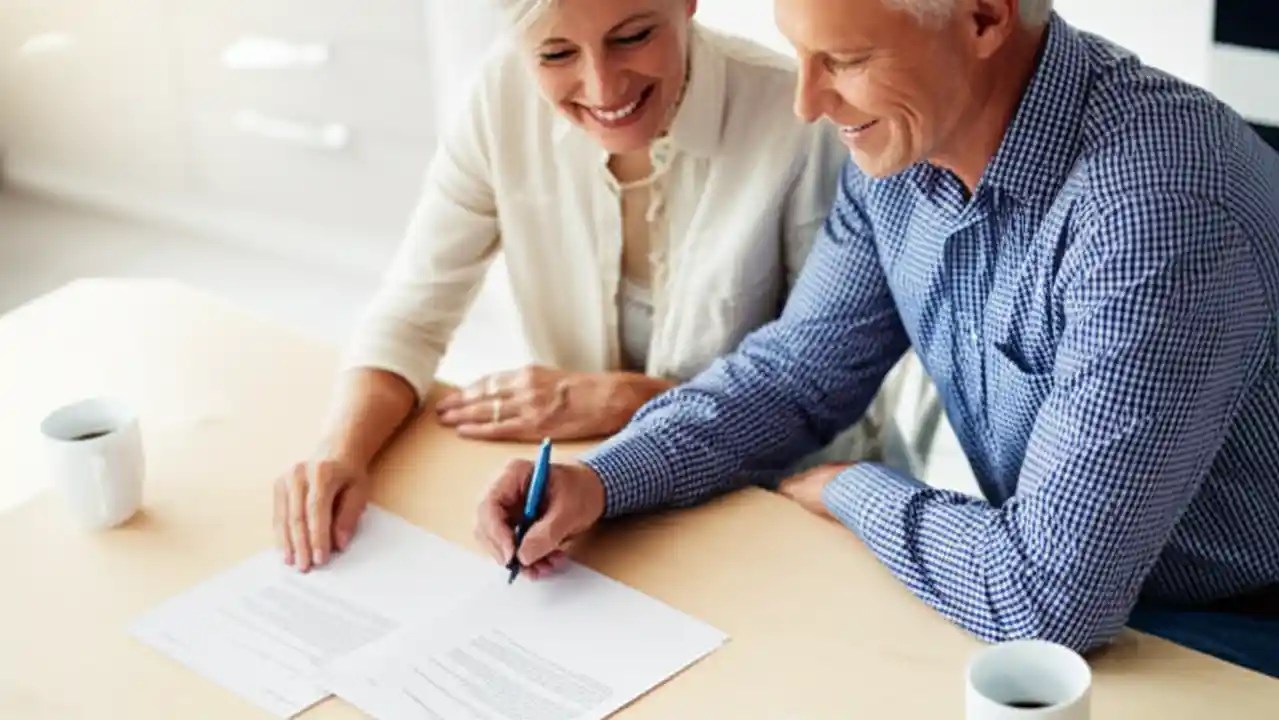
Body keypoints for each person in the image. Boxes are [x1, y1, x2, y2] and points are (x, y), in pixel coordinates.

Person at [474, 0, 1279, 677]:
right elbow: (793, 375)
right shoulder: (901, 142)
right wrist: (605, 481)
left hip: (1226, 632)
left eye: (847, 60)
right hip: (1083, 602)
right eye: (800, 54)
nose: (807, 103)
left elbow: (1045, 598)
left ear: (983, 15)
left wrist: (847, 489)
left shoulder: (1161, 213)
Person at [272, 0, 925, 573]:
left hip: (779, 502)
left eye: (633, 36)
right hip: (599, 497)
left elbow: (828, 400)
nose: (603, 84)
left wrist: (629, 401)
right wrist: (341, 452)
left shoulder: (804, 117)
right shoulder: (500, 97)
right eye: (556, 52)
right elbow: (414, 309)